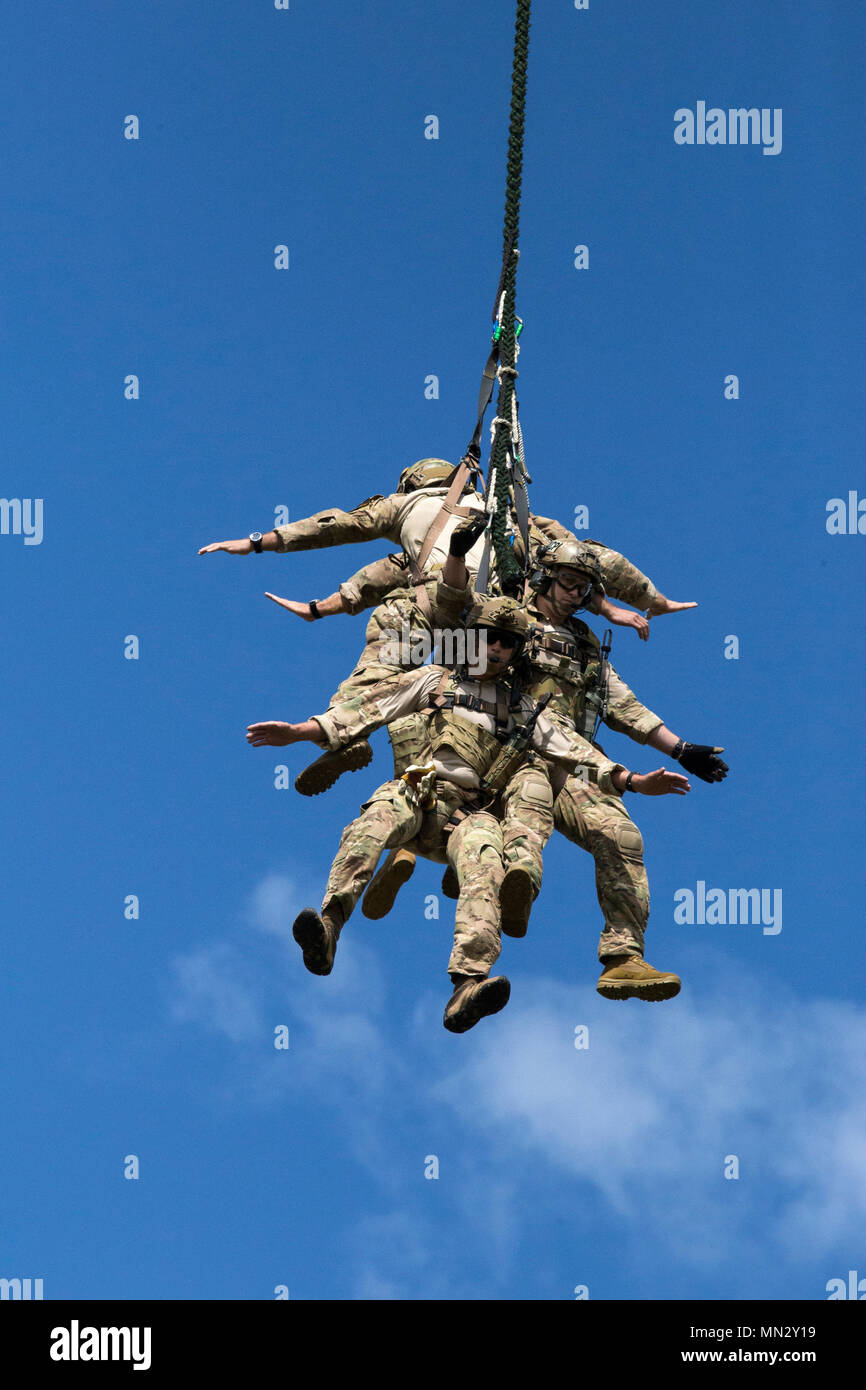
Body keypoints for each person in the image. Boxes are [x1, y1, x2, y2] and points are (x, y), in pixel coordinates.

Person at [246, 598, 690, 1030]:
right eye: (489, 638)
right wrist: (301, 732)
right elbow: (365, 710)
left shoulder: (522, 710)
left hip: (469, 813)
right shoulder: (432, 682)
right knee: (372, 824)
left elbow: (573, 750)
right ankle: (328, 928)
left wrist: (632, 781)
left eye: (508, 643)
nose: (497, 649)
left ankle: (468, 984)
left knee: (485, 866)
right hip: (419, 792)